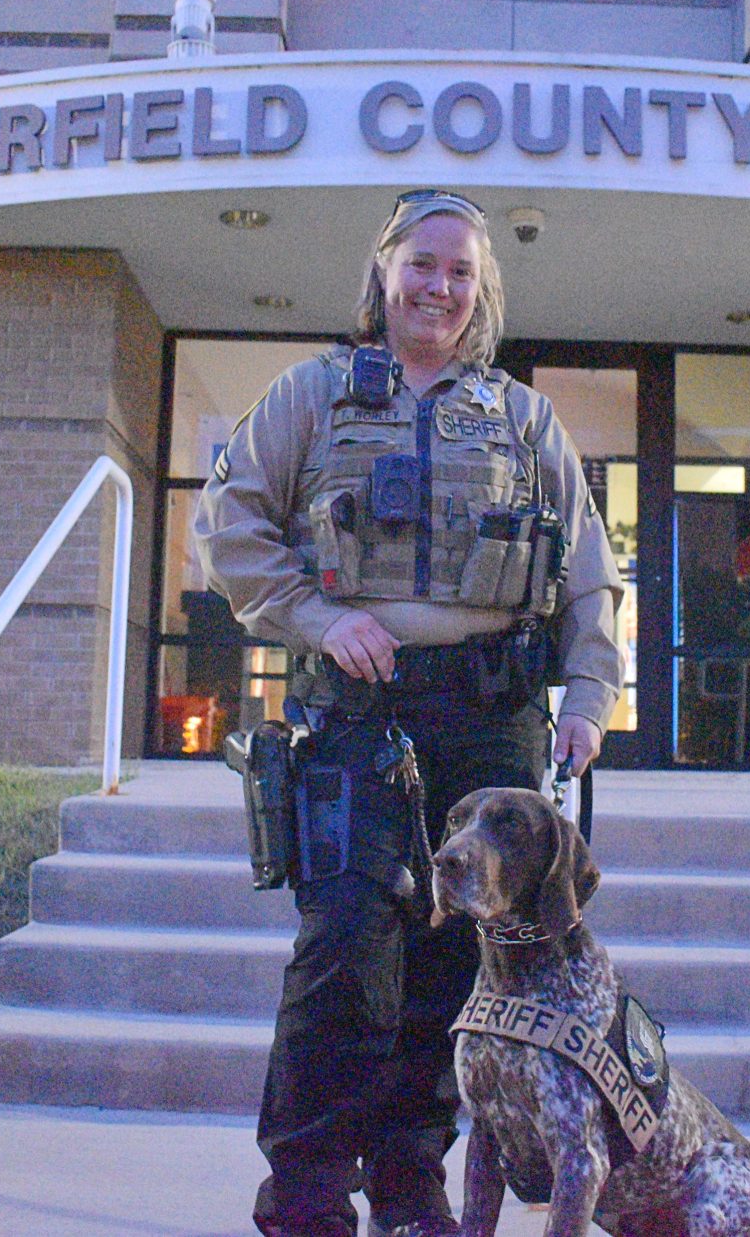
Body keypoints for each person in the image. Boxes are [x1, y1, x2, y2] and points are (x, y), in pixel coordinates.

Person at [192, 189, 625, 1237]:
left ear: (483, 289)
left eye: (461, 271)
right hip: (358, 710)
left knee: (453, 960)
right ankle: (304, 1191)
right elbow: (226, 526)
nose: (439, 287)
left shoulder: (523, 419)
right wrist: (314, 616)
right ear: (384, 271)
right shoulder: (312, 395)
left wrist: (588, 694)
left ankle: (409, 1180)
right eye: (422, 264)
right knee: (344, 948)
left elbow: (585, 570)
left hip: (491, 718)